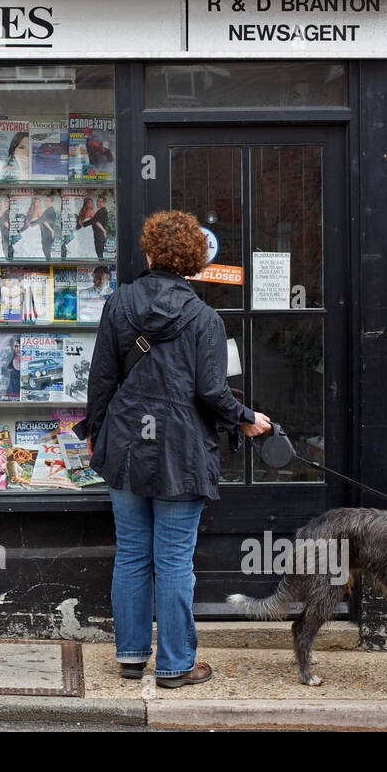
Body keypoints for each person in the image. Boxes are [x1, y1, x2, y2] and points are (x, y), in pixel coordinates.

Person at [84, 210, 270, 688]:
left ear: (149, 252)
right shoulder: (205, 318)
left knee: (130, 554)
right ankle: (174, 666)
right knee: (172, 560)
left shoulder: (119, 303)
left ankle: (130, 657)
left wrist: (95, 434)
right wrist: (247, 419)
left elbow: (102, 379)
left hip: (125, 441)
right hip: (180, 449)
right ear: (194, 262)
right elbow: (212, 392)